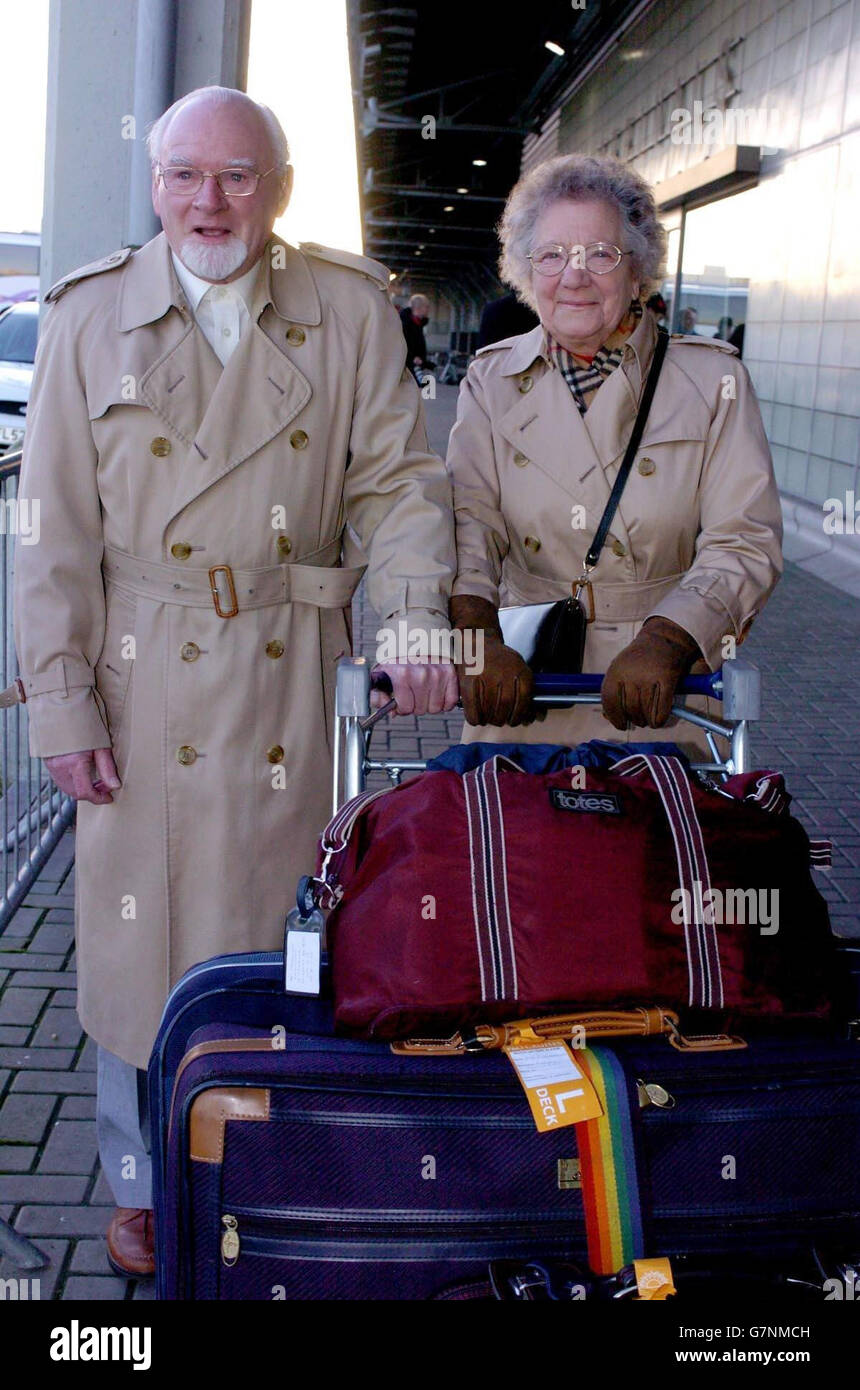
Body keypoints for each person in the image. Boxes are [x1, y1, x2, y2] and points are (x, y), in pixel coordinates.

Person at [13, 86, 457, 1275]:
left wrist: (412, 618)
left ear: (277, 186)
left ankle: (264, 1159)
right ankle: (144, 1177)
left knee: (284, 926)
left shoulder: (348, 311)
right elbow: (49, 527)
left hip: (285, 668)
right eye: (184, 177)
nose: (208, 202)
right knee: (133, 940)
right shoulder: (89, 315)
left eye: (237, 176)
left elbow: (399, 486)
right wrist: (60, 701)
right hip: (138, 674)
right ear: (153, 183)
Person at [447, 153, 782, 752]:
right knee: (508, 845)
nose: (573, 276)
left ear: (638, 272)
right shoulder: (490, 382)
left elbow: (744, 537)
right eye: (551, 255)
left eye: (600, 254)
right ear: (526, 271)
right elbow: (469, 523)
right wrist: (477, 640)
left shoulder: (711, 382)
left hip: (663, 696)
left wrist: (671, 638)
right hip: (526, 683)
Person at [399, 292, 431, 374]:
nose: (428, 310)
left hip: (413, 365)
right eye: (426, 307)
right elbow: (401, 345)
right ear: (418, 308)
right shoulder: (404, 324)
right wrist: (412, 358)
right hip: (405, 367)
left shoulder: (418, 323)